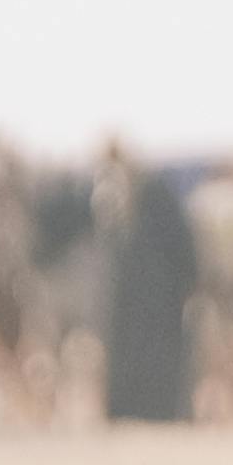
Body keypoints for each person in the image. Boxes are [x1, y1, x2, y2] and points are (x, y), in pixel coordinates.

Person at [95, 142, 199, 426]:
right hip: (141, 295)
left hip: (158, 294)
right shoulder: (124, 194)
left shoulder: (153, 193)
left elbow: (180, 244)